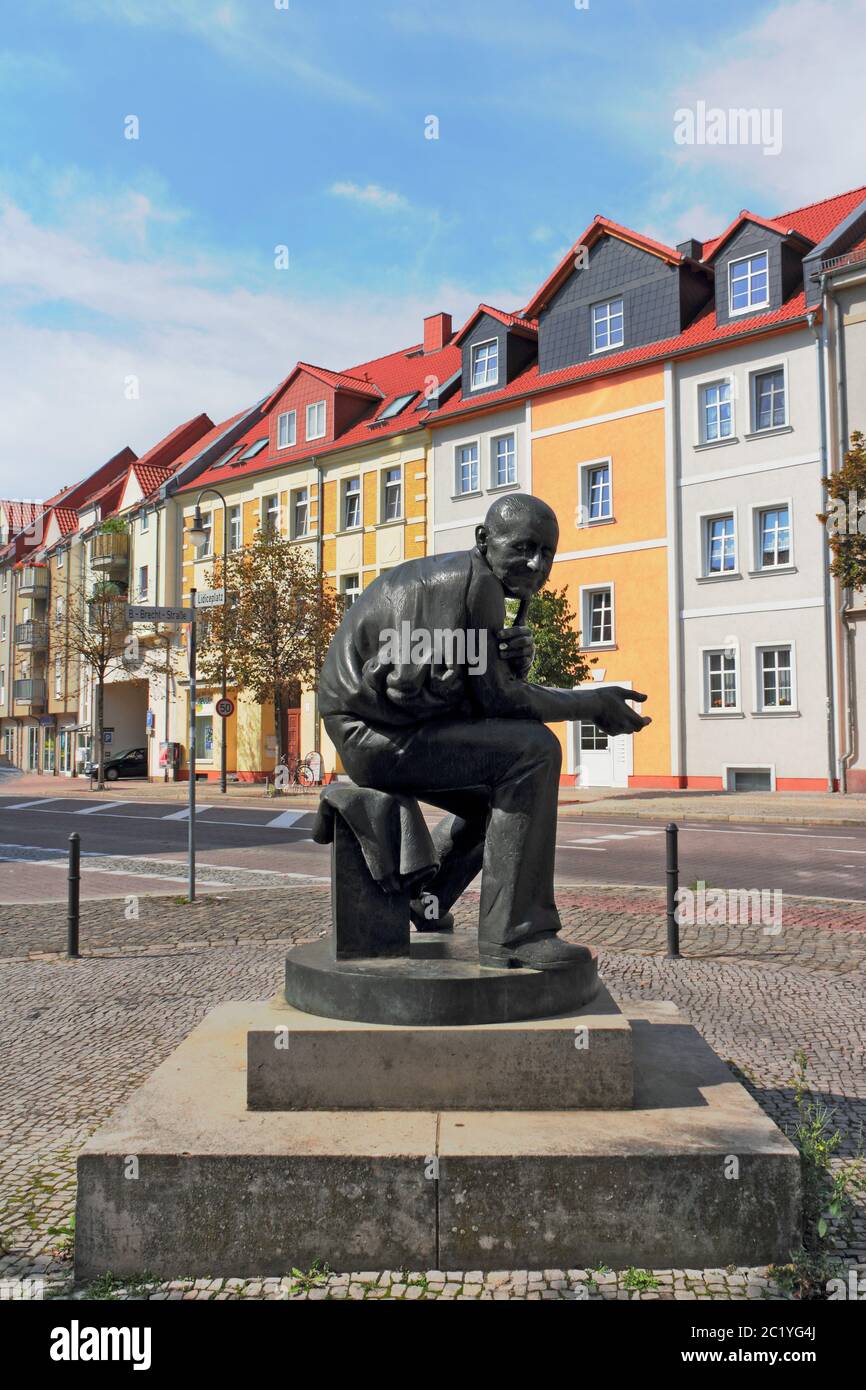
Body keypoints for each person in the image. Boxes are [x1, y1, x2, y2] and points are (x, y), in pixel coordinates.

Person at [318, 493, 650, 970]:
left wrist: (512, 663)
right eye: (523, 548)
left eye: (547, 553)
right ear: (484, 540)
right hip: (372, 737)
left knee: (488, 808)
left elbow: (465, 686)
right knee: (533, 752)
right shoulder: (477, 585)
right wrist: (590, 702)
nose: (536, 564)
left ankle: (426, 900)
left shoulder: (469, 581)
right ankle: (516, 936)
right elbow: (498, 701)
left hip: (382, 729)